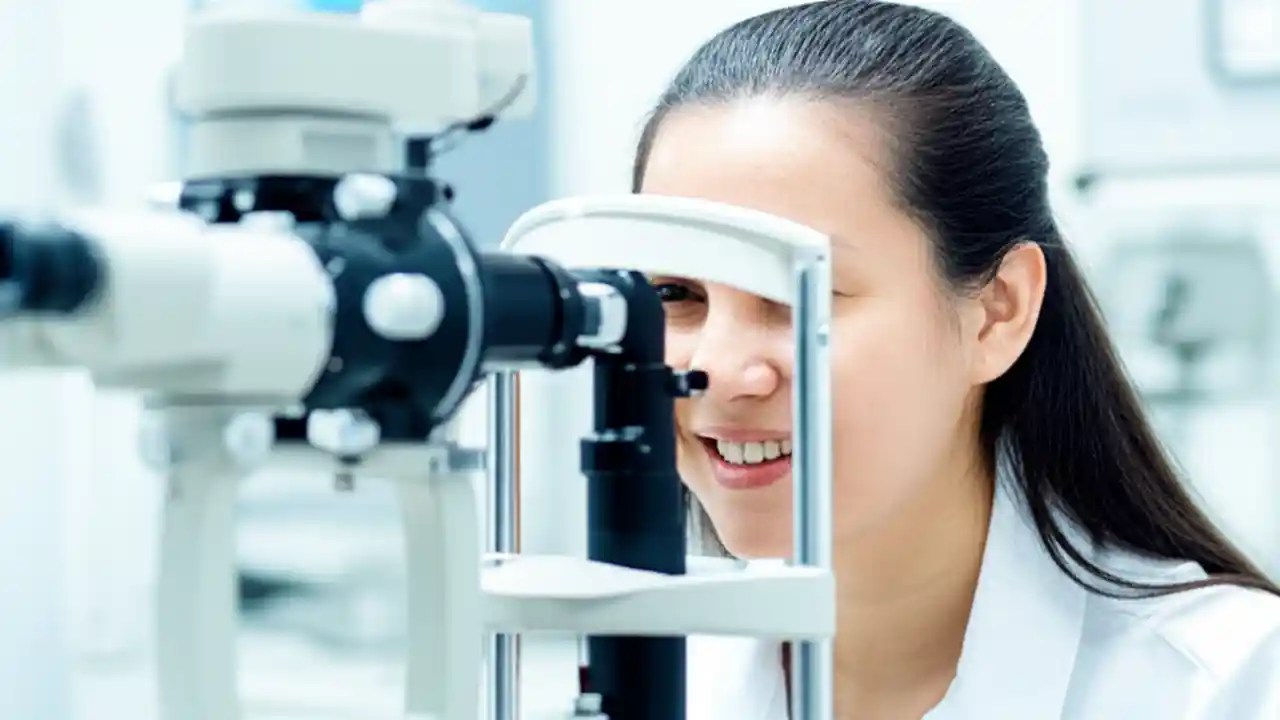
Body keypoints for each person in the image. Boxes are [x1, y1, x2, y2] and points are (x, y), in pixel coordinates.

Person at [629, 1, 1280, 718]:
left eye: (797, 293)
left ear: (997, 310)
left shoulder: (1229, 688)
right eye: (677, 292)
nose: (718, 369)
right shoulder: (652, 676)